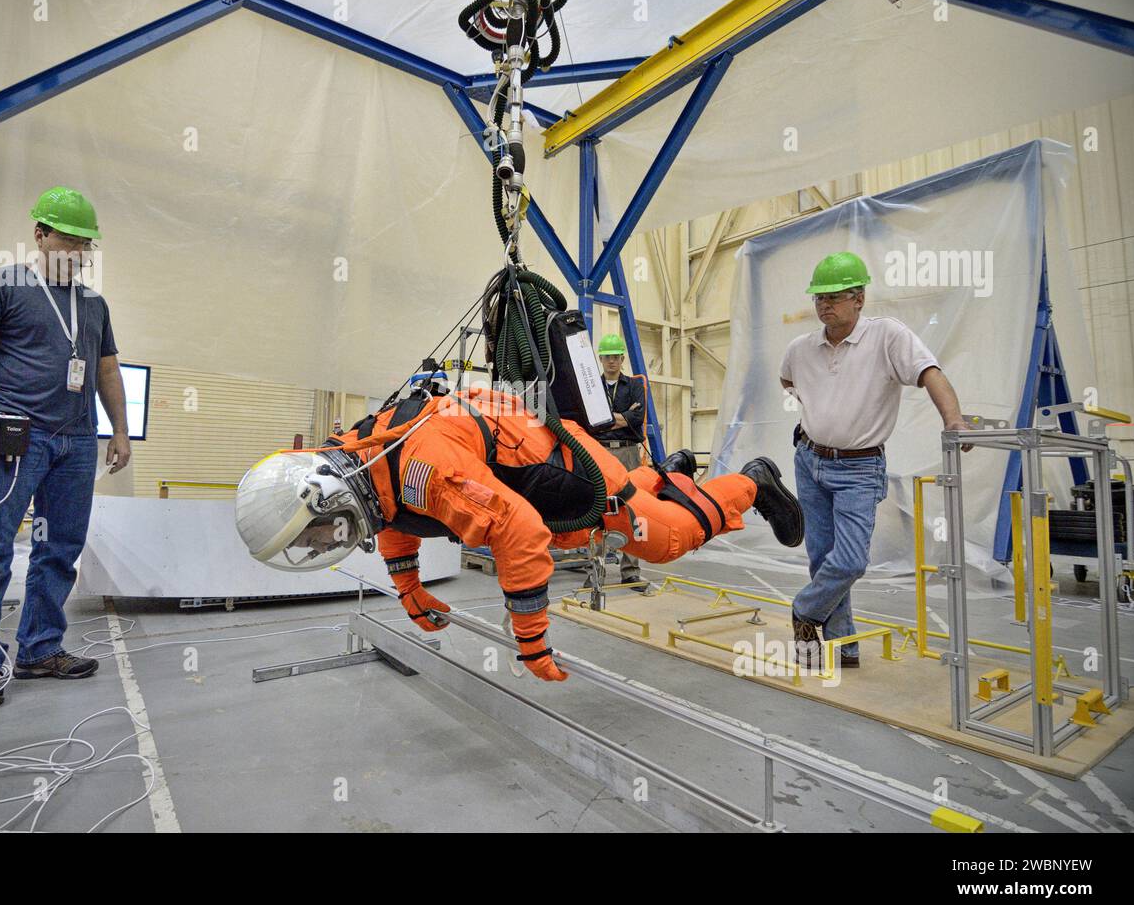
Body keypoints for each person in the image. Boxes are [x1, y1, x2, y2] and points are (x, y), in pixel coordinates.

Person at [235, 386, 804, 682]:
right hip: (533, 464)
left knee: (666, 541)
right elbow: (392, 513)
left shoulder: (428, 470)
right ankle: (663, 475)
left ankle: (752, 483)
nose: (320, 546)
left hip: (573, 470)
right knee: (616, 520)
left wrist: (532, 641)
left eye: (314, 537)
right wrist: (409, 589)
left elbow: (520, 529)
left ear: (325, 499)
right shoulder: (365, 458)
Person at [0, 187, 132, 708]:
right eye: (67, 240)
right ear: (40, 235)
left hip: (75, 440)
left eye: (84, 245)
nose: (76, 252)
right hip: (13, 433)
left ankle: (40, 648)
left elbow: (105, 368)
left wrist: (118, 429)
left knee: (60, 549)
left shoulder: (93, 303)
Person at [780, 251, 970, 671]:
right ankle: (842, 647)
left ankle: (804, 611)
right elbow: (788, 380)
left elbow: (929, 372)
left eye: (834, 296)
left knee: (849, 560)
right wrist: (813, 413)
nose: (824, 305)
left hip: (860, 469)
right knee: (821, 556)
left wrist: (953, 420)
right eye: (819, 298)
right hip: (809, 462)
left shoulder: (888, 337)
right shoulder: (800, 348)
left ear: (859, 298)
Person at [594, 333, 648, 590]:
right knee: (598, 509)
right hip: (601, 452)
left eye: (616, 357)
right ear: (601, 359)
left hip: (628, 452)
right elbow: (593, 421)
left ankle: (631, 571)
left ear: (622, 358)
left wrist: (610, 420)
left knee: (632, 509)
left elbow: (637, 418)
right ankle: (597, 569)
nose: (612, 361)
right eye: (607, 357)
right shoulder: (593, 386)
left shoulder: (635, 385)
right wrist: (623, 416)